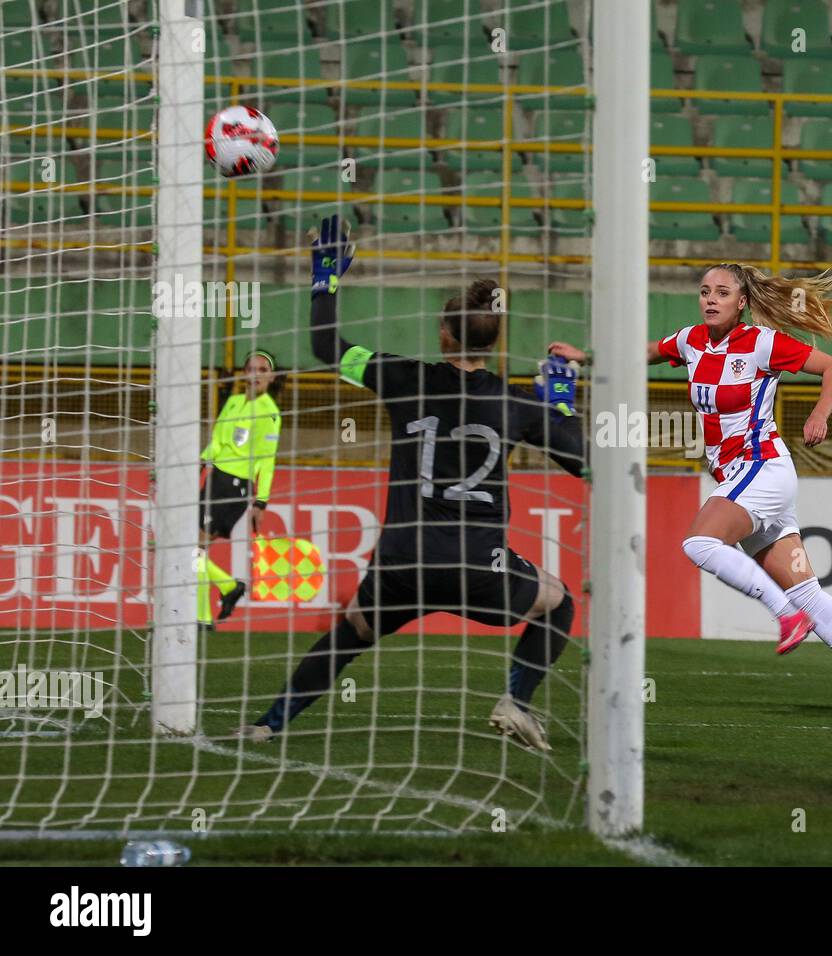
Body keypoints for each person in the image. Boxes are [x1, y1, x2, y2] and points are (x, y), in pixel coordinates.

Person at [237, 215, 585, 751]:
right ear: (495, 341)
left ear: (444, 333)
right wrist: (561, 402)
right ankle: (515, 704)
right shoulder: (519, 405)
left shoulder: (403, 378)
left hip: (404, 560)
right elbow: (582, 460)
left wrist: (325, 276)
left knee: (349, 634)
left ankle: (267, 724)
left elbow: (327, 346)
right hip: (478, 566)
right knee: (558, 601)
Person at [549, 262, 832, 720]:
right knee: (808, 592)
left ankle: (783, 614)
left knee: (699, 543)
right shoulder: (690, 341)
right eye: (704, 291)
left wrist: (820, 415)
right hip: (742, 479)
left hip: (764, 469)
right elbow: (641, 353)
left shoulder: (761, 343)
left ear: (743, 303)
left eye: (721, 292)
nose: (710, 299)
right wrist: (583, 356)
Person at [198, 349, 281, 629]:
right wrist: (200, 462)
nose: (255, 375)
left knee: (192, 549)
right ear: (244, 373)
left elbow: (267, 462)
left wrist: (261, 502)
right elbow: (218, 440)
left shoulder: (269, 413)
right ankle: (214, 603)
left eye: (262, 370)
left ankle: (219, 598)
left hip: (234, 486)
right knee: (192, 550)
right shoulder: (233, 402)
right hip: (214, 479)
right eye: (251, 369)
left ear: (271, 377)